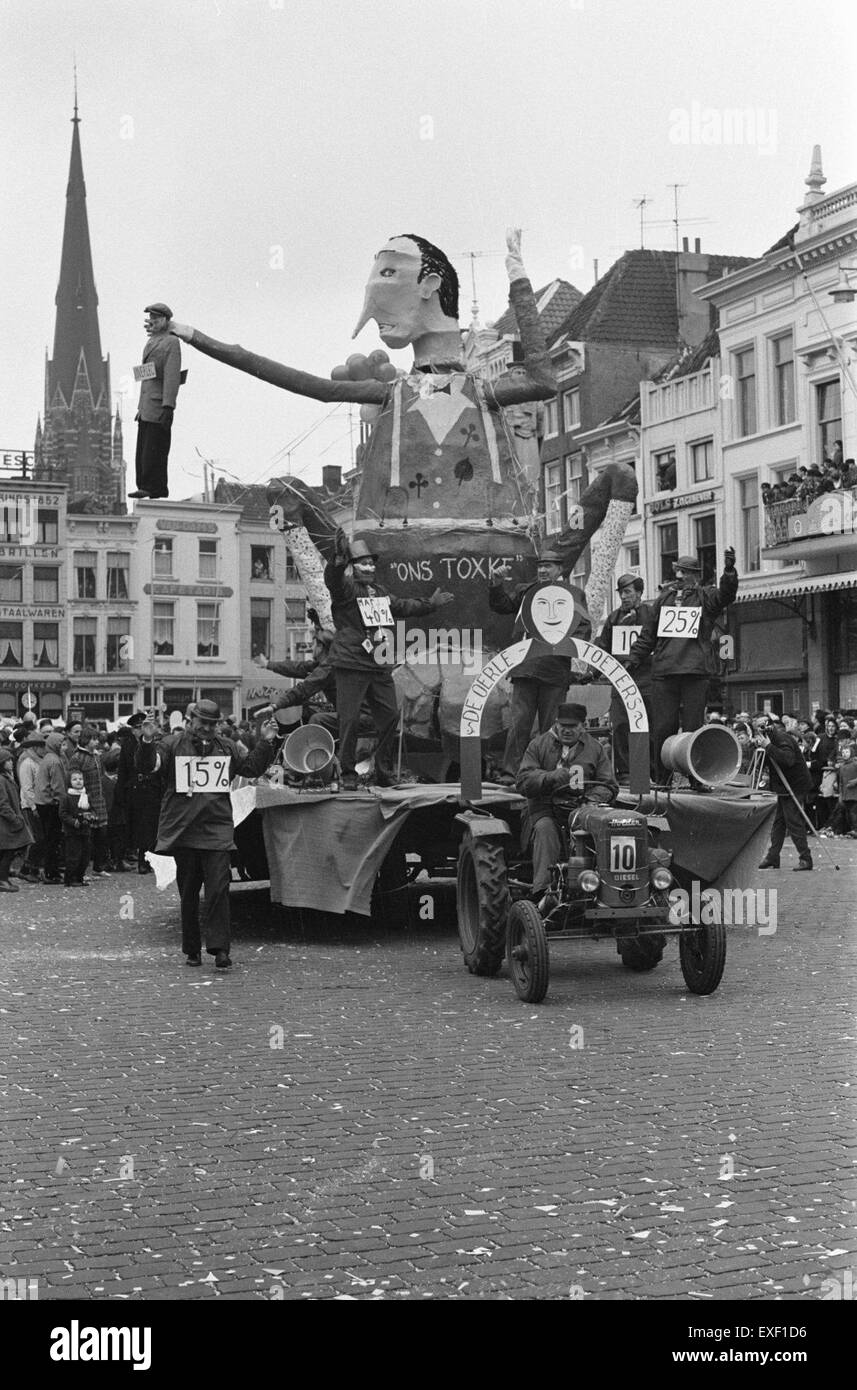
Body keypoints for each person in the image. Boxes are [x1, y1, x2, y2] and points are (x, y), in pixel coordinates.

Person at [324, 531, 453, 789]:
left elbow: (402, 606)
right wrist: (337, 560)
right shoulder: (346, 589)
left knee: (390, 716)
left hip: (378, 663)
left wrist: (431, 604)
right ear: (352, 566)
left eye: (372, 563)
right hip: (351, 664)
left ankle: (382, 770)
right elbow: (333, 580)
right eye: (364, 563)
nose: (370, 567)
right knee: (349, 720)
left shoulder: (379, 591)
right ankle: (348, 774)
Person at [142, 700, 240, 969]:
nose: (207, 728)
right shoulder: (171, 744)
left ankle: (220, 949)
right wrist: (148, 742)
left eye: (212, 724)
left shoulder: (227, 746)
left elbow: (250, 768)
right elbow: (150, 766)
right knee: (188, 893)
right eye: (202, 722)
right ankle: (192, 950)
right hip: (184, 831)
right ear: (190, 720)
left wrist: (267, 742)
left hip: (217, 829)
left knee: (219, 889)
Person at [627, 548, 738, 784]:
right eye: (678, 571)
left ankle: (696, 778)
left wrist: (729, 573)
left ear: (695, 575)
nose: (679, 576)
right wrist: (632, 659)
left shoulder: (706, 597)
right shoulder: (663, 600)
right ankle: (662, 779)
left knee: (693, 727)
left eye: (685, 572)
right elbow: (648, 636)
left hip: (694, 672)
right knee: (662, 728)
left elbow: (726, 596)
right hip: (665, 672)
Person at [488, 549, 589, 783]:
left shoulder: (574, 595)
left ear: (560, 569)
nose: (543, 570)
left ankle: (547, 773)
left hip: (554, 670)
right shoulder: (526, 591)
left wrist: (567, 647)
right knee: (519, 724)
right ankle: (511, 772)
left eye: (548, 566)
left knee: (551, 726)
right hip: (525, 668)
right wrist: (496, 584)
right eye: (540, 566)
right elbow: (502, 605)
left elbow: (583, 627)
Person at [516, 702, 618, 902]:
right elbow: (522, 781)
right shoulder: (538, 745)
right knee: (545, 830)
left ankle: (603, 887)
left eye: (572, 726)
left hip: (581, 809)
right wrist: (550, 777)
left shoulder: (595, 748)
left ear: (583, 726)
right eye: (563, 725)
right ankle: (544, 892)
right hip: (544, 808)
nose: (567, 730)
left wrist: (591, 801)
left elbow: (608, 785)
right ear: (556, 723)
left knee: (605, 828)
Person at [595, 573, 656, 778]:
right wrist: (592, 672)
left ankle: (647, 772)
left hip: (646, 678)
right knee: (621, 724)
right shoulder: (613, 618)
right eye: (621, 593)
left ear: (639, 593)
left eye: (628, 592)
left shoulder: (650, 614)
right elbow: (603, 648)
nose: (623, 597)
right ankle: (625, 771)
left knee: (646, 724)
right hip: (620, 679)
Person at [128, 302, 182, 500]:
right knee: (144, 449)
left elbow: (171, 375)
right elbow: (147, 376)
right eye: (151, 318)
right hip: (146, 405)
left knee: (155, 449)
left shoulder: (171, 342)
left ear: (165, 320)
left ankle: (154, 487)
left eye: (156, 318)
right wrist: (140, 406)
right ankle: (144, 485)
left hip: (159, 404)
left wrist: (168, 405)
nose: (152, 321)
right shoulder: (151, 342)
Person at [755, 716, 814, 871]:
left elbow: (788, 760)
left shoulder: (782, 738)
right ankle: (773, 857)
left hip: (795, 785)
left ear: (769, 726)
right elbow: (765, 762)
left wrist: (768, 746)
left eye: (762, 726)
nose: (759, 730)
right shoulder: (768, 740)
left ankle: (805, 858)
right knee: (778, 822)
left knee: (793, 820)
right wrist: (760, 749)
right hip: (782, 787)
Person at [33, 731, 67, 883]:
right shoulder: (55, 761)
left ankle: (49, 870)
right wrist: (62, 803)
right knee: (53, 839)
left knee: (49, 838)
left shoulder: (47, 758)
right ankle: (51, 872)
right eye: (62, 744)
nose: (64, 747)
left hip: (42, 803)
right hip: (51, 804)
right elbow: (58, 786)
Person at [0, 746, 33, 892]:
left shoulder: (7, 778)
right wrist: (15, 819)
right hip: (6, 823)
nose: (11, 762)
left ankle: (4, 878)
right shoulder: (1, 780)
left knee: (7, 851)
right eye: (8, 760)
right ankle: (2, 880)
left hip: (8, 822)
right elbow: (3, 804)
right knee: (8, 851)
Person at [58, 768, 96, 887]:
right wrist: (73, 821)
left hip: (85, 830)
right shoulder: (66, 797)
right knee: (73, 856)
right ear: (69, 782)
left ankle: (80, 877)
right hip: (72, 831)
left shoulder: (86, 795)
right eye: (74, 779)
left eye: (80, 779)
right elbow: (63, 813)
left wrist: (91, 816)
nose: (78, 781)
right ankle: (70, 878)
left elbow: (92, 809)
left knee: (85, 856)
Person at [16, 732, 45, 882]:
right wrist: (34, 806)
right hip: (30, 805)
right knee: (37, 838)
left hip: (39, 803)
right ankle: (27, 868)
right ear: (35, 747)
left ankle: (31, 868)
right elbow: (27, 788)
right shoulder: (27, 763)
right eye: (41, 746)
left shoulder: (39, 761)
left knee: (40, 838)